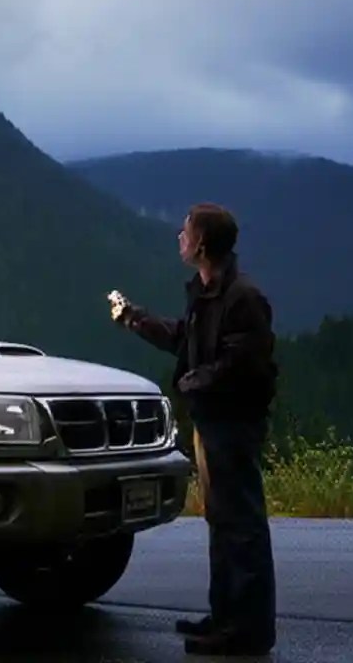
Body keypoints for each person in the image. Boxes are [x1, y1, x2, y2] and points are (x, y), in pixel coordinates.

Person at [110, 202, 278, 656]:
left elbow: (244, 362)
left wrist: (193, 381)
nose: (179, 238)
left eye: (185, 232)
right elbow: (184, 339)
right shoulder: (208, 294)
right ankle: (225, 617)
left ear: (201, 243)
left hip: (233, 424)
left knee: (240, 524)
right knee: (222, 521)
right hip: (212, 421)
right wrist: (135, 318)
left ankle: (248, 629)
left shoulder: (243, 298)